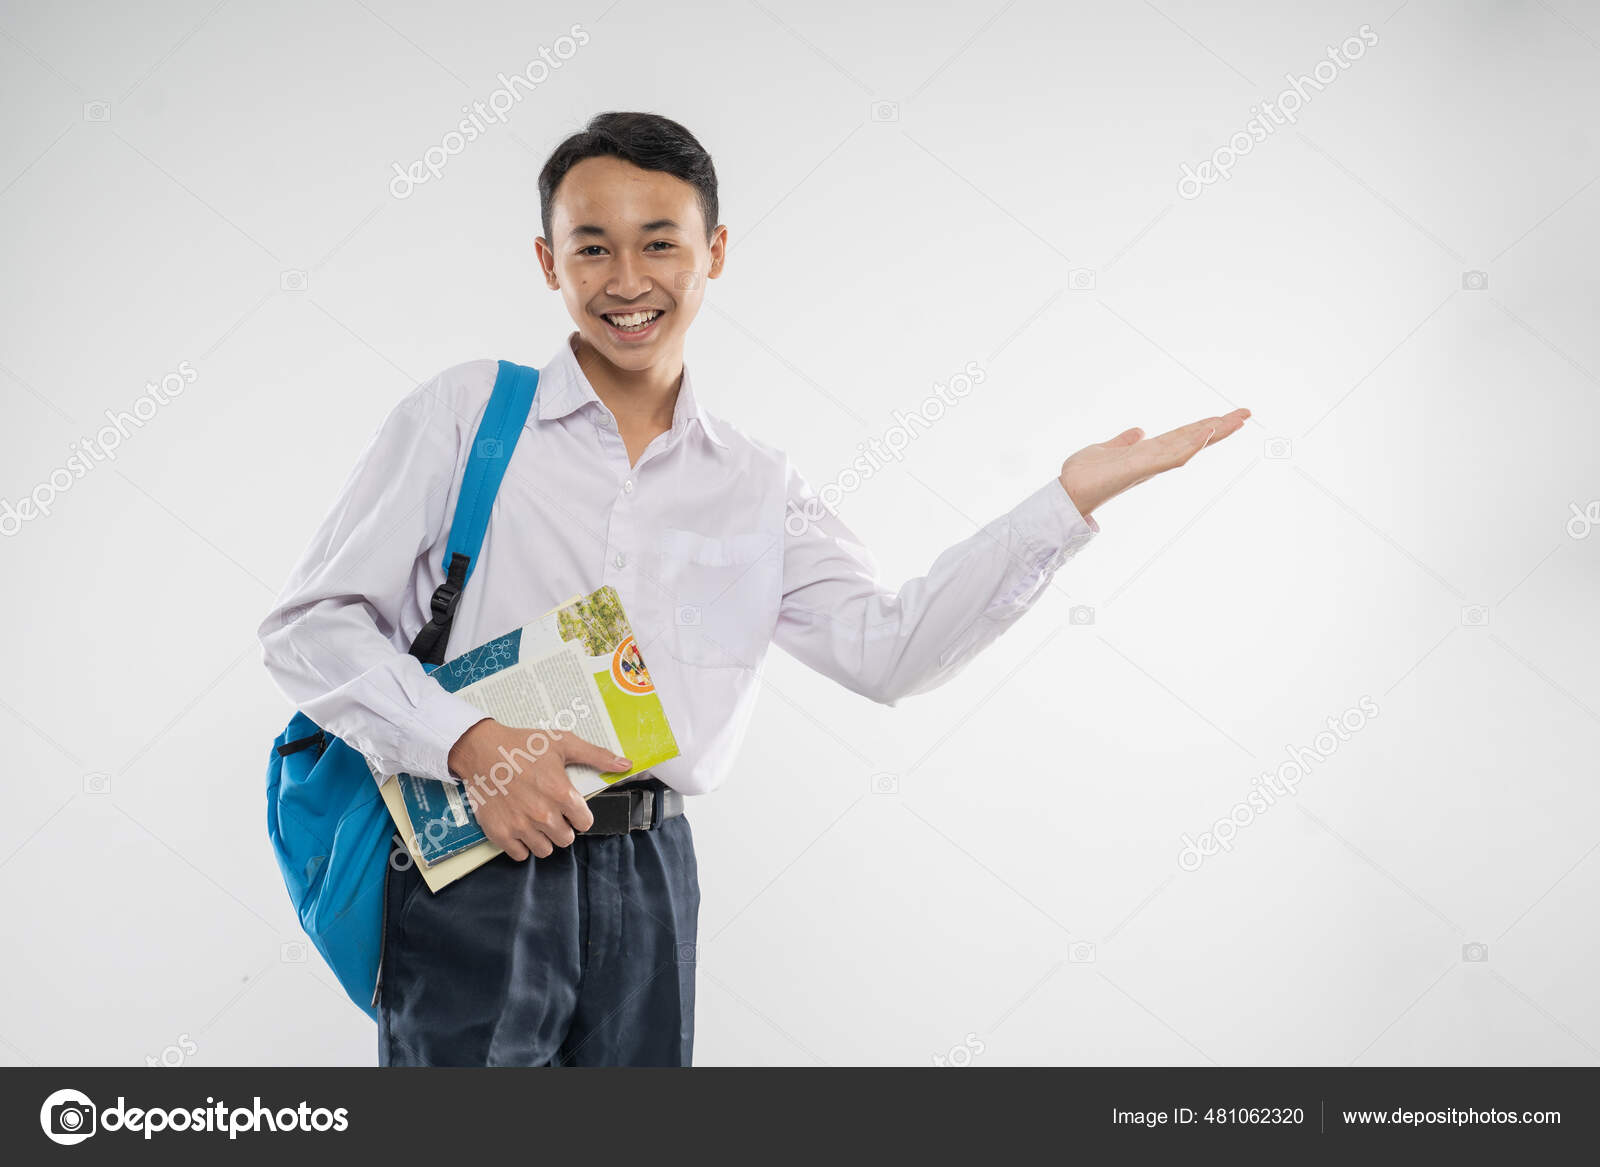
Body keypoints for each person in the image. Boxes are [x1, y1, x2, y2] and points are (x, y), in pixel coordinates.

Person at [257, 111, 1249, 1067]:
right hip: (476, 851)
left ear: (715, 251)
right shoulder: (467, 413)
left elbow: (886, 651)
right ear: (547, 262)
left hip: (650, 874)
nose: (628, 281)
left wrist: (1064, 503)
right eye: (592, 249)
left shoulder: (757, 485)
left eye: (660, 244)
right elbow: (311, 628)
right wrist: (471, 745)